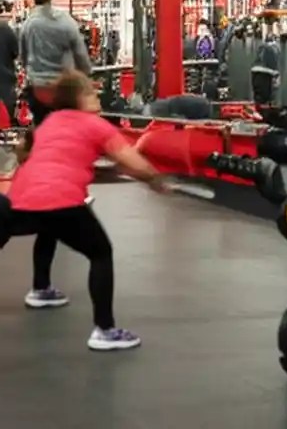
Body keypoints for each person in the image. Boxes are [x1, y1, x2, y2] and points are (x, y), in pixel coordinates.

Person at [9, 71, 174, 351]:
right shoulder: (95, 125)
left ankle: (41, 289)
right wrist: (155, 178)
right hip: (59, 196)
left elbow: (25, 151)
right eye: (91, 92)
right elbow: (130, 159)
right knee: (100, 252)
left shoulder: (50, 122)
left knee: (48, 227)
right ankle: (105, 330)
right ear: (77, 98)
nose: (97, 96)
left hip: (21, 196)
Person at [20, 0, 91, 128]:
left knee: (41, 127)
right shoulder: (66, 21)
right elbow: (80, 53)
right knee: (66, 127)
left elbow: (23, 55)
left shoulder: (28, 25)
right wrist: (85, 74)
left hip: (38, 87)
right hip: (63, 87)